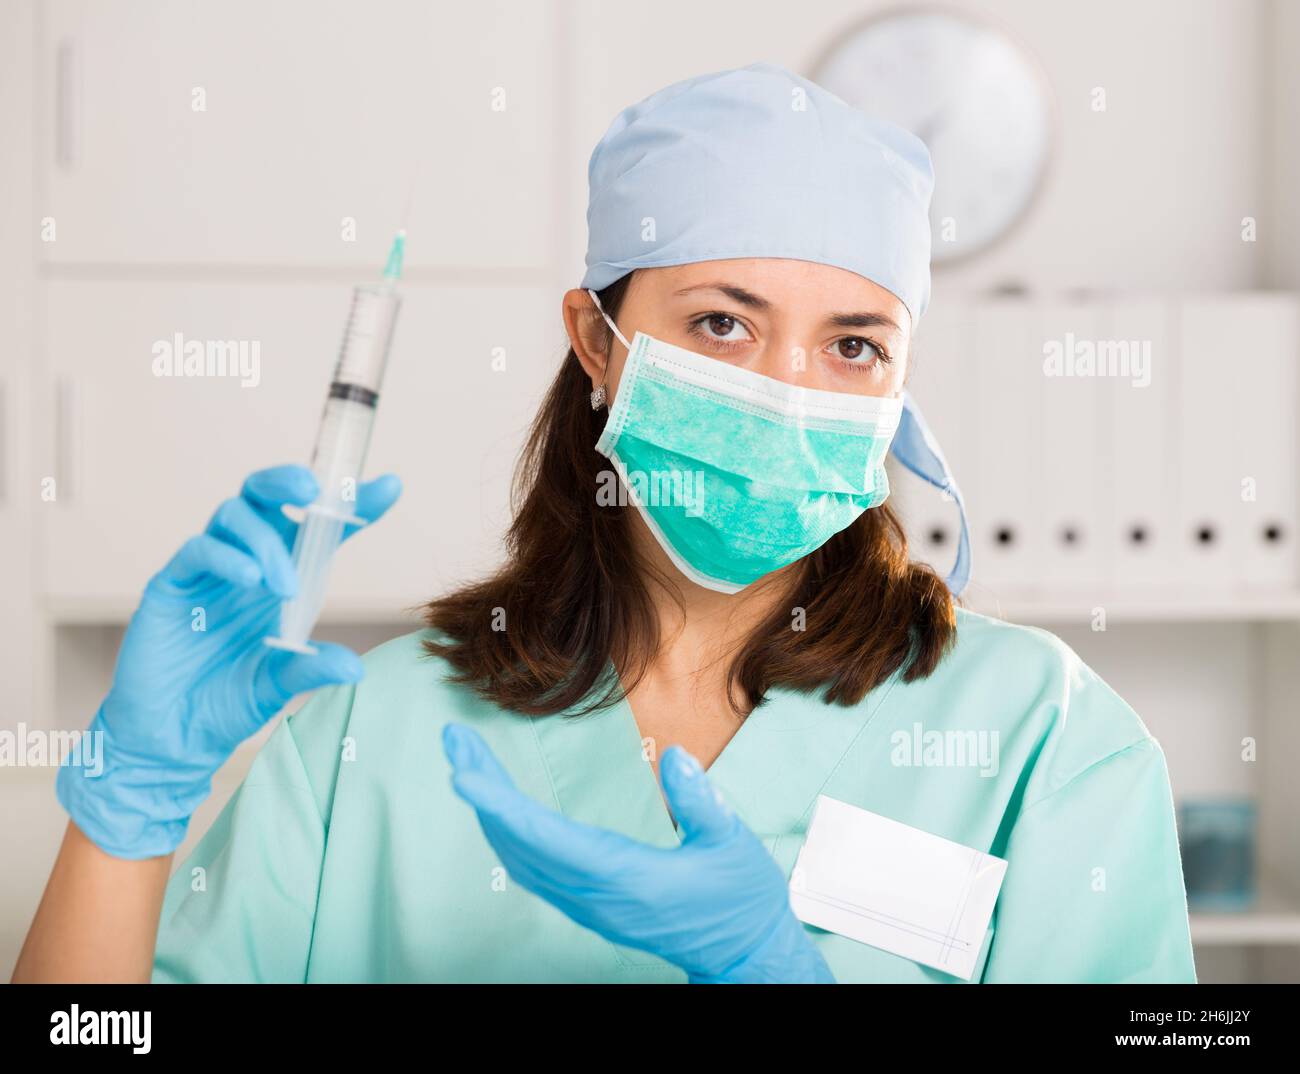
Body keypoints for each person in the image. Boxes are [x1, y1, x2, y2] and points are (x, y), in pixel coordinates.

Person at [13, 63, 1196, 984]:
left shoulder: (1048, 741)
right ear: (596, 341)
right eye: (722, 325)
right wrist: (130, 804)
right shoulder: (371, 732)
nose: (787, 387)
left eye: (852, 346)